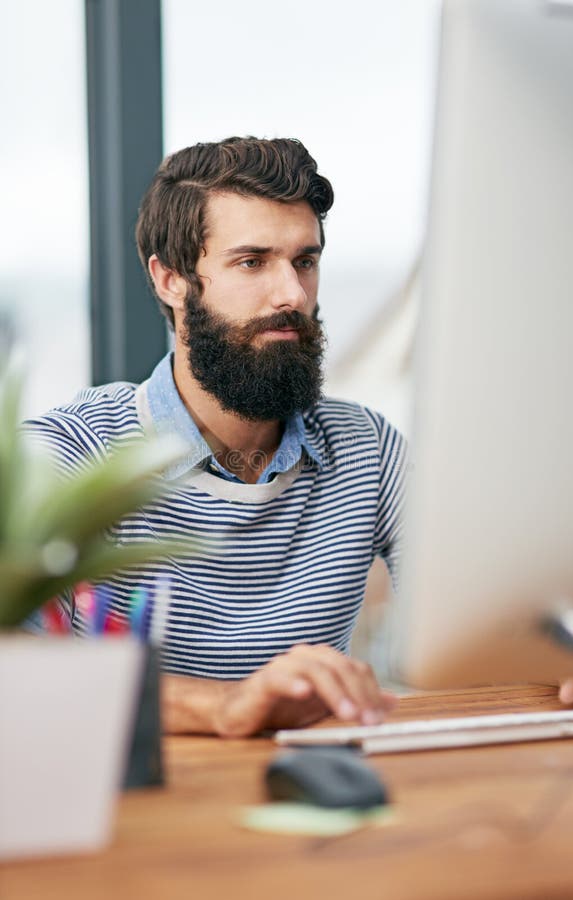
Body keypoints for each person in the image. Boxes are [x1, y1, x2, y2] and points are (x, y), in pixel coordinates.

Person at [24, 137, 408, 737]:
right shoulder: (74, 453)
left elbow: (492, 617)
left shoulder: (368, 448)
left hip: (318, 804)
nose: (292, 295)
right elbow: (14, 667)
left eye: (304, 261)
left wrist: (567, 652)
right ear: (171, 279)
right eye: (252, 262)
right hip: (146, 814)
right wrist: (224, 708)